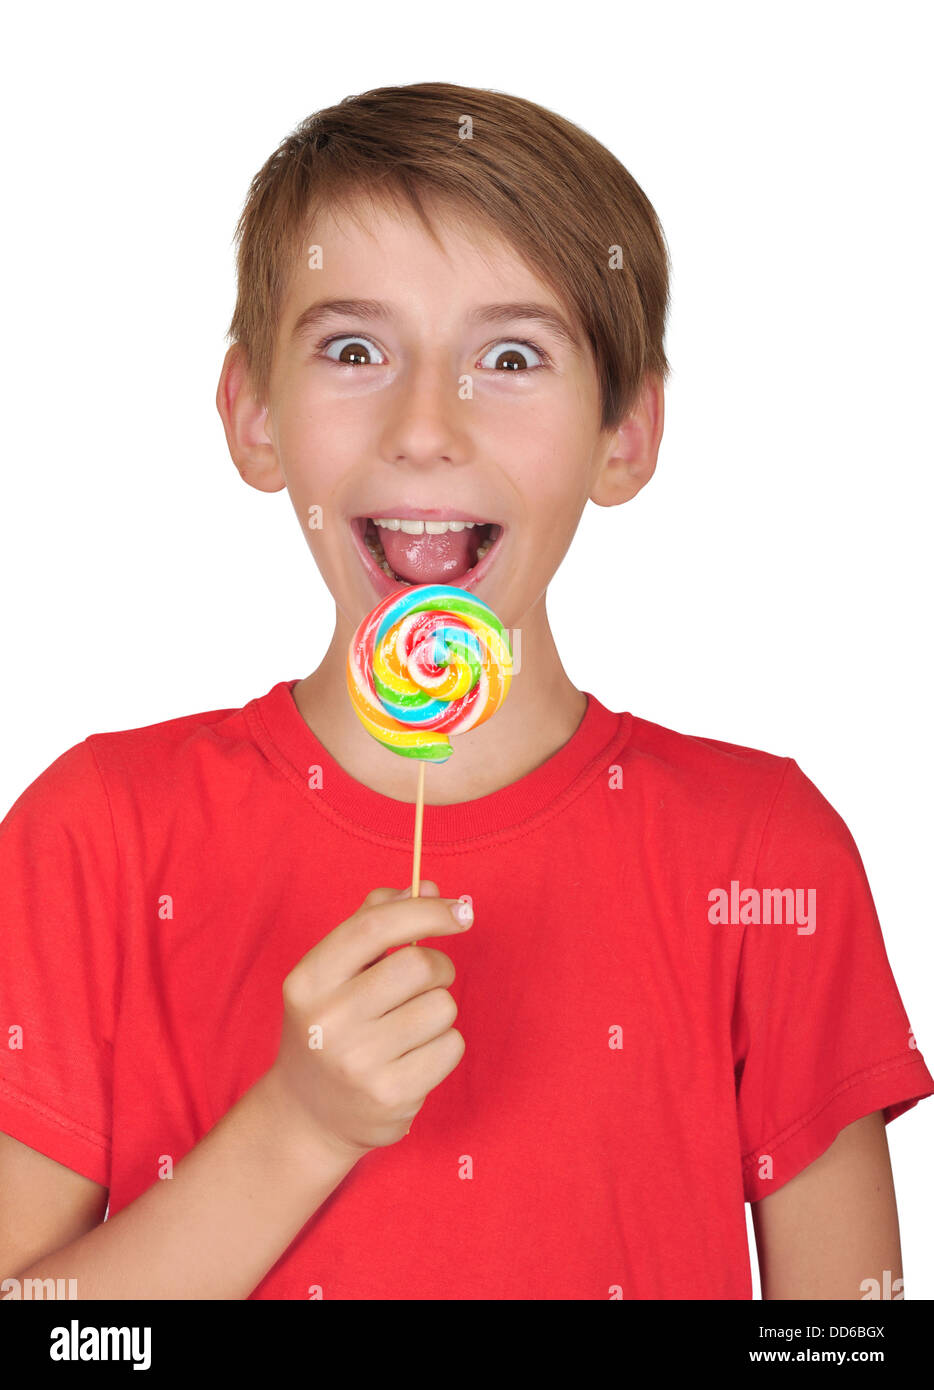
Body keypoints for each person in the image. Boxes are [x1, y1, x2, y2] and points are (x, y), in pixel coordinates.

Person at [1, 81, 931, 1301]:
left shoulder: (765, 849)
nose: (426, 426)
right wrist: (299, 1125)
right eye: (353, 350)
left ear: (626, 432)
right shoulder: (98, 832)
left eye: (509, 355)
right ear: (251, 415)